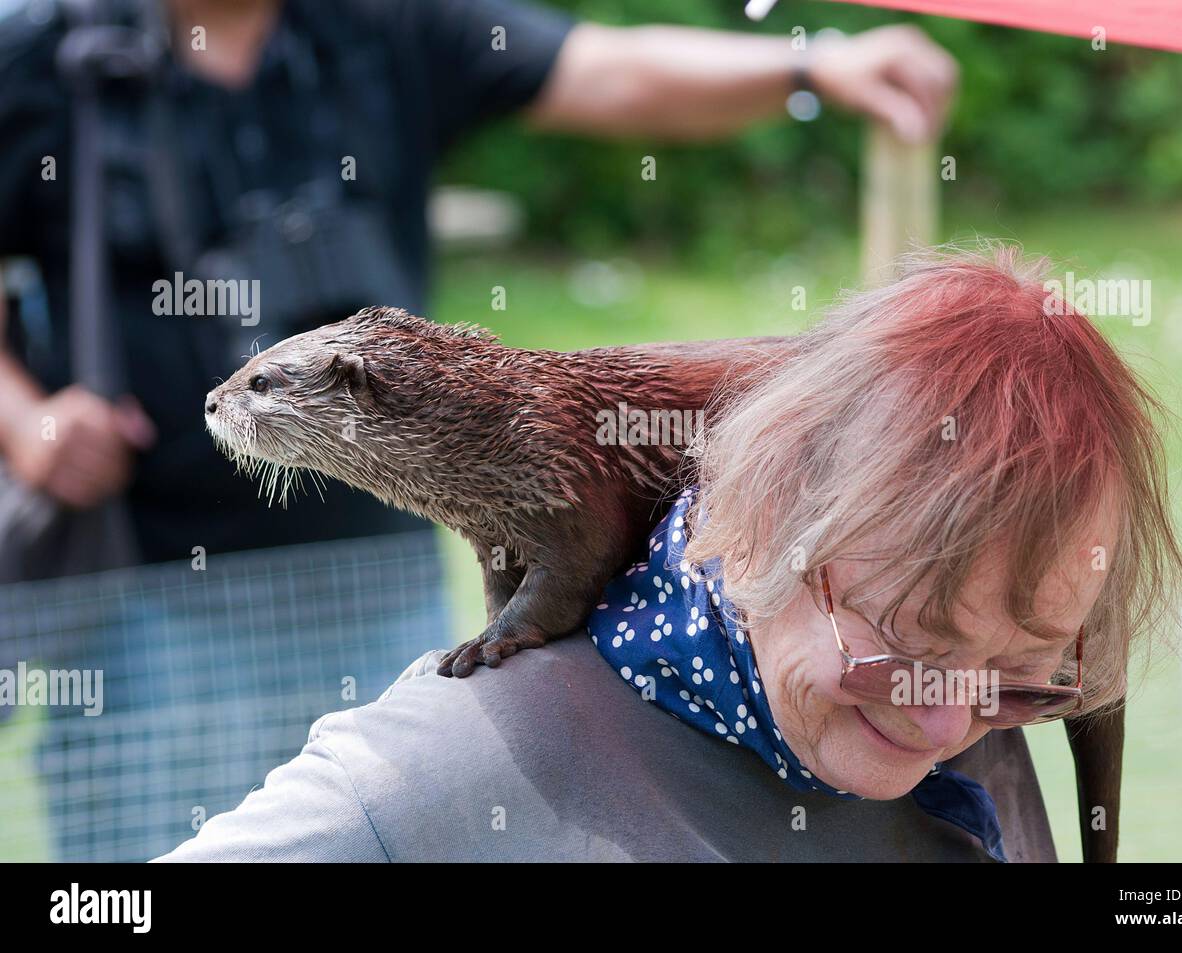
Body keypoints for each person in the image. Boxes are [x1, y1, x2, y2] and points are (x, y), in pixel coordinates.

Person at [0, 0, 957, 860]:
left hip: (381, 573)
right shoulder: (45, 49)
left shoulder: (382, 25)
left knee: (397, 832)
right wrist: (25, 419)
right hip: (151, 586)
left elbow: (606, 68)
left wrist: (811, 65)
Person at [157, 249, 1182, 862]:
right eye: (904, 640)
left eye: (1020, 678)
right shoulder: (411, 790)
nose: (946, 715)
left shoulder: (960, 744)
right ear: (743, 518)